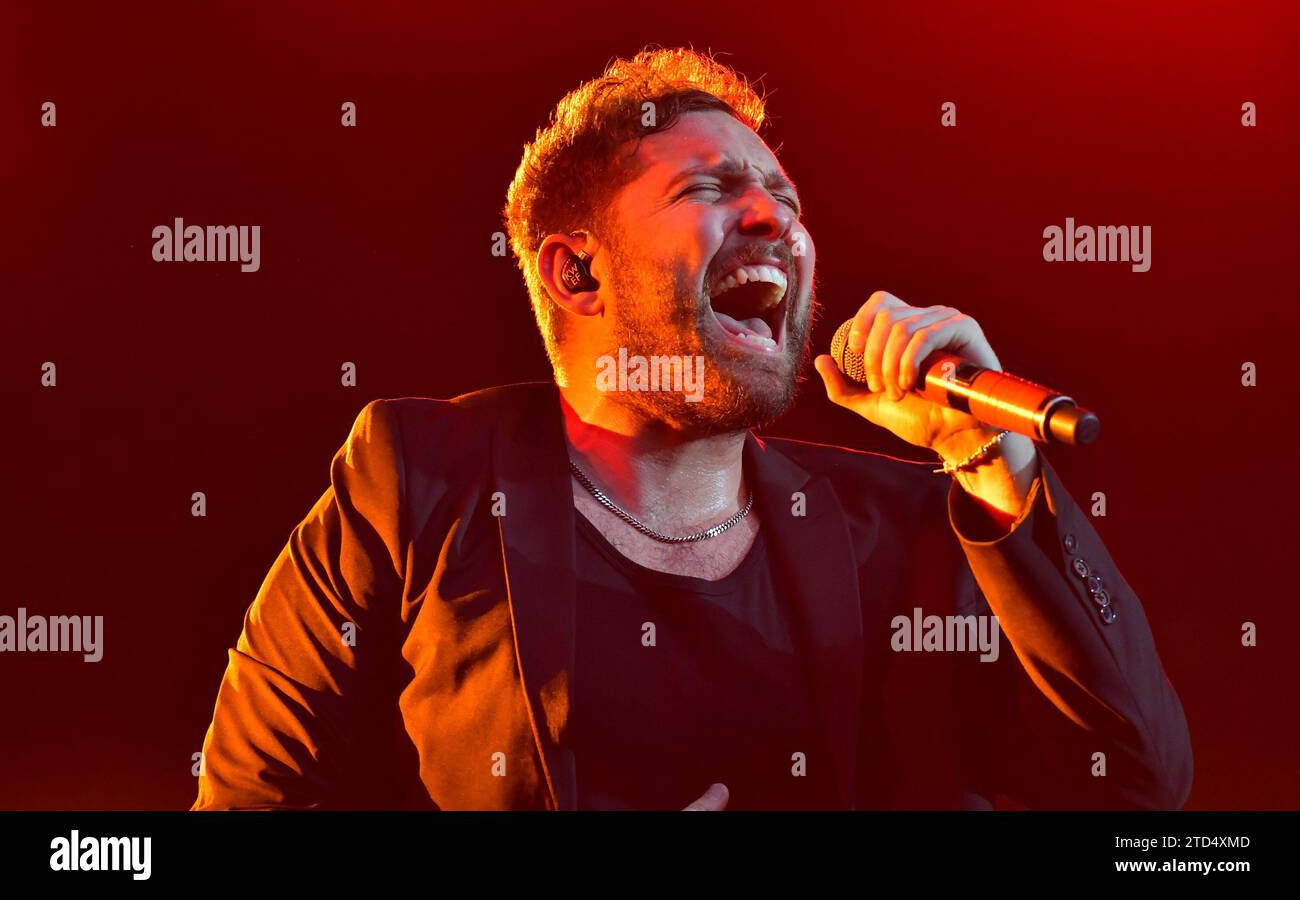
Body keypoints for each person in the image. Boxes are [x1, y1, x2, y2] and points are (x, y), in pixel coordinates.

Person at [192, 47, 1192, 811]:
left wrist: (996, 464)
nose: (775, 220)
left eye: (787, 200)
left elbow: (1141, 792)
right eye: (710, 188)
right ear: (574, 271)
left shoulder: (906, 523)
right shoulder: (411, 485)